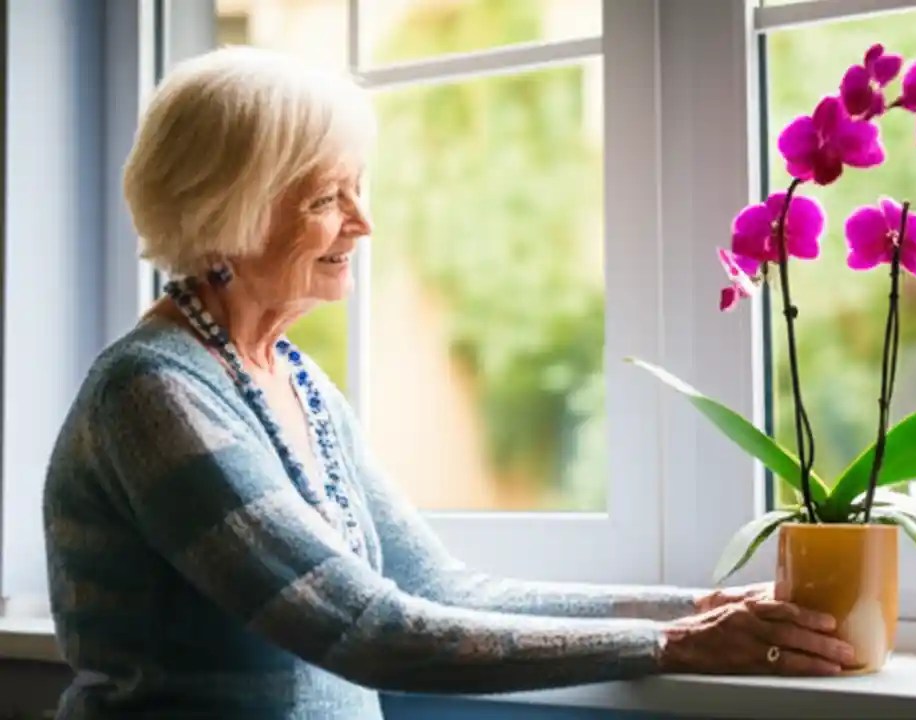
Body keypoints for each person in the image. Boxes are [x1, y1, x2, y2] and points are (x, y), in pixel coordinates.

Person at [42, 47, 858, 720]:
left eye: (356, 188)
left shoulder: (289, 375)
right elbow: (362, 628)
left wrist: (694, 610)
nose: (363, 223)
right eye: (328, 197)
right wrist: (671, 647)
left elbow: (441, 588)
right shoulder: (153, 394)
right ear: (231, 212)